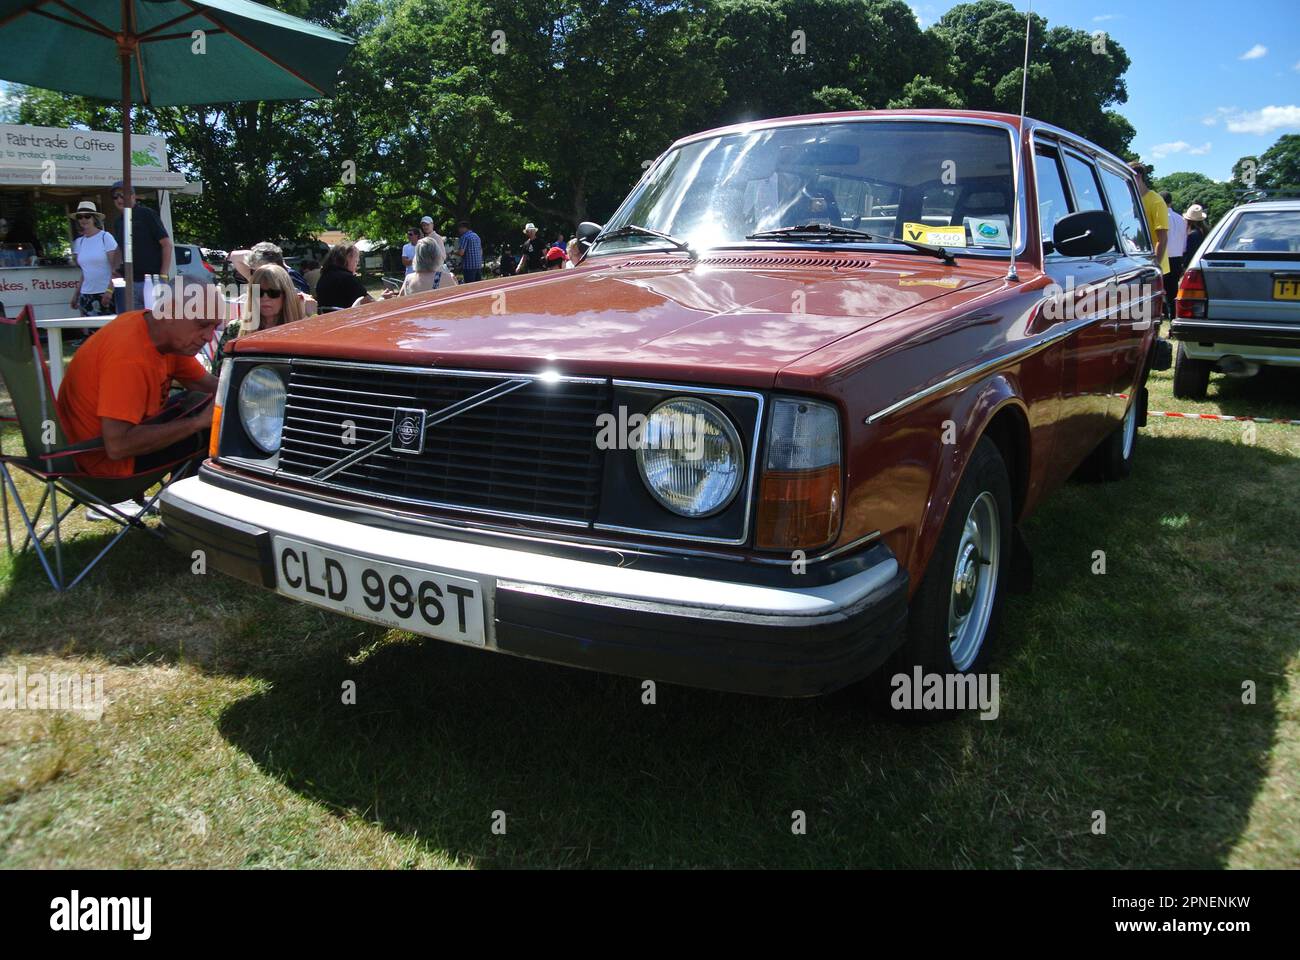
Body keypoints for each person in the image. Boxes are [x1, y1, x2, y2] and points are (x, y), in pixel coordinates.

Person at [55, 306, 218, 478]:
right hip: (102, 466)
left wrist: (245, 391)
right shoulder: (130, 358)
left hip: (104, 446)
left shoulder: (160, 334)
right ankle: (185, 502)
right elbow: (117, 447)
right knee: (213, 430)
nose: (208, 337)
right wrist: (198, 423)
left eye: (214, 327)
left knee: (199, 402)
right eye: (202, 325)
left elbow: (207, 384)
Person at [109, 181, 172, 313]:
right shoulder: (118, 222)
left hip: (152, 281)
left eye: (122, 195)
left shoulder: (146, 214)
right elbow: (119, 248)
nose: (119, 199)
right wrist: (114, 271)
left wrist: (163, 276)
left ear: (132, 196)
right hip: (130, 283)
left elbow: (166, 244)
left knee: (157, 321)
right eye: (115, 197)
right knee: (134, 323)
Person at [67, 201, 118, 318]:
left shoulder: (106, 237)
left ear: (94, 218)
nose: (83, 219)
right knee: (91, 333)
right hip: (86, 293)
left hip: (105, 292)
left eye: (87, 216)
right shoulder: (79, 242)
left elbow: (115, 268)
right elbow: (85, 272)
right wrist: (76, 294)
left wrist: (110, 291)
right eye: (80, 217)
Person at [1129, 162, 1169, 280]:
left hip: (1154, 268)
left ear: (1138, 176)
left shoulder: (1156, 201)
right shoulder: (1132, 201)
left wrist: (1154, 266)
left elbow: (1162, 239)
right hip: (1139, 266)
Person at [229, 241, 310, 294]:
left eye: (260, 268)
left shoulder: (290, 276)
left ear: (274, 263)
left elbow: (304, 302)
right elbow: (234, 256)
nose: (258, 273)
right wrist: (255, 254)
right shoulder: (261, 278)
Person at [314, 242, 373, 310]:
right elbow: (370, 304)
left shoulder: (323, 278)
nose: (357, 267)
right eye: (356, 261)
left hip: (329, 319)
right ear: (346, 258)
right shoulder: (347, 279)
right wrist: (383, 299)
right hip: (349, 318)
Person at [1162, 191, 1187, 319]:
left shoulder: (1161, 216)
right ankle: (1174, 315)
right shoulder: (1181, 219)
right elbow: (1184, 241)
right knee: (1173, 290)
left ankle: (1165, 314)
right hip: (1177, 257)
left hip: (1164, 256)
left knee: (1161, 289)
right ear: (1171, 202)